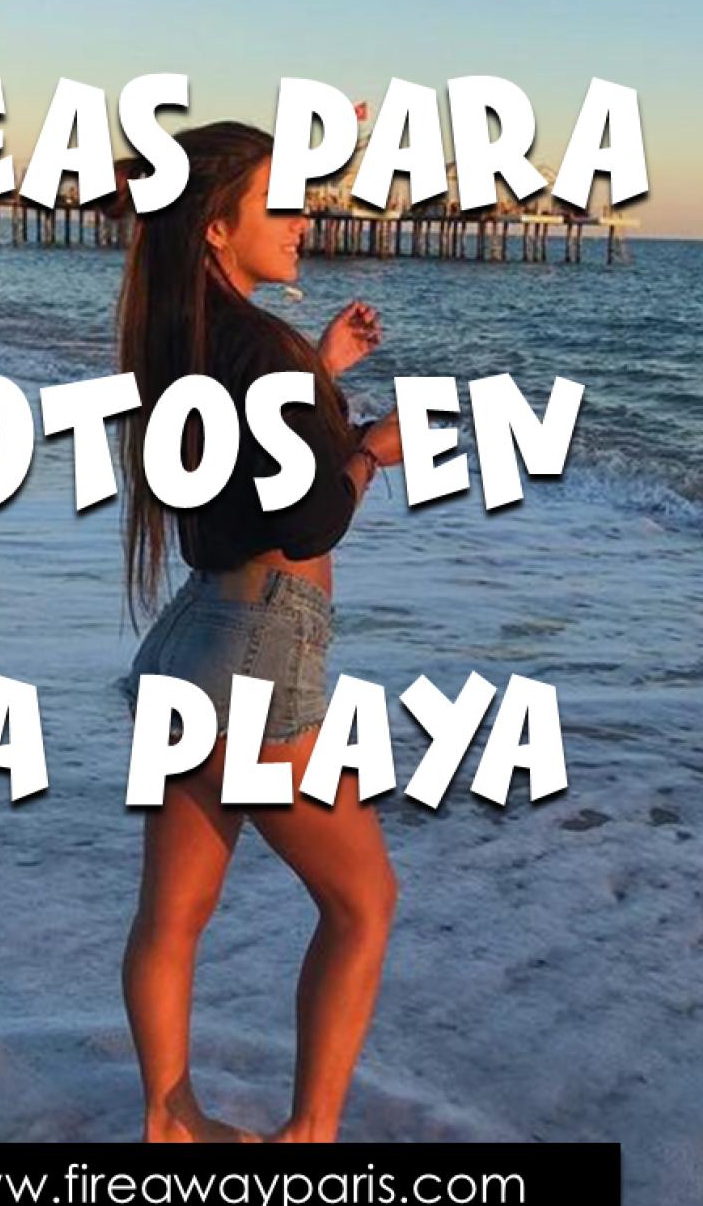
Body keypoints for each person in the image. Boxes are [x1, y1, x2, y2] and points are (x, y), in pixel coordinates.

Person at [115, 121, 403, 1144]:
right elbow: (307, 518)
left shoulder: (182, 333)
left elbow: (241, 475)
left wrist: (316, 372)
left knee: (171, 916)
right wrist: (369, 448)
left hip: (192, 639)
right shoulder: (258, 348)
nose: (301, 219)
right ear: (215, 226)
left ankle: (170, 1122)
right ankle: (308, 1143)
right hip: (261, 653)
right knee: (363, 903)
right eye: (279, 203)